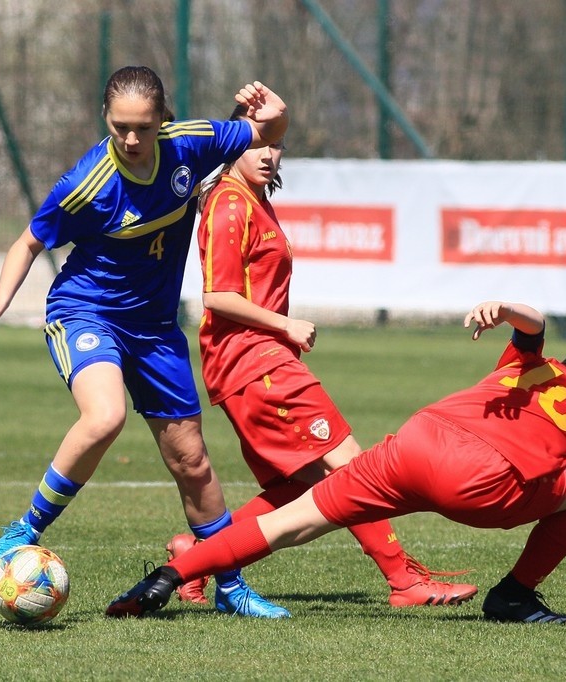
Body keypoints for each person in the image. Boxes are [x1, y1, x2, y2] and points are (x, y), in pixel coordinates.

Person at [0, 65, 291, 618]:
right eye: (119, 128)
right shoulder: (89, 182)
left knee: (192, 460)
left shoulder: (192, 145)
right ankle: (18, 534)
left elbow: (267, 135)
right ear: (105, 120)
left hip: (156, 329)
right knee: (105, 416)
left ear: (163, 119)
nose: (131, 140)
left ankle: (231, 584)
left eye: (142, 127)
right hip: (85, 313)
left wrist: (276, 115)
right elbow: (28, 242)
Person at [107, 300, 566, 623]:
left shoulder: (533, 363)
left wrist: (505, 308)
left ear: (564, 366)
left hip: (415, 442)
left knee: (290, 522)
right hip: (479, 483)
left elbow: (533, 320)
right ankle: (515, 596)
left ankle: (169, 576)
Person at [162, 109, 475, 610]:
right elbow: (216, 296)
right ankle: (404, 582)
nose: (267, 153)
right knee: (354, 471)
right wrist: (285, 325)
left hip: (258, 361)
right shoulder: (228, 203)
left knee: (301, 492)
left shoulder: (255, 199)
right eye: (255, 143)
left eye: (276, 144)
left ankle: (197, 557)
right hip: (254, 363)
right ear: (229, 146)